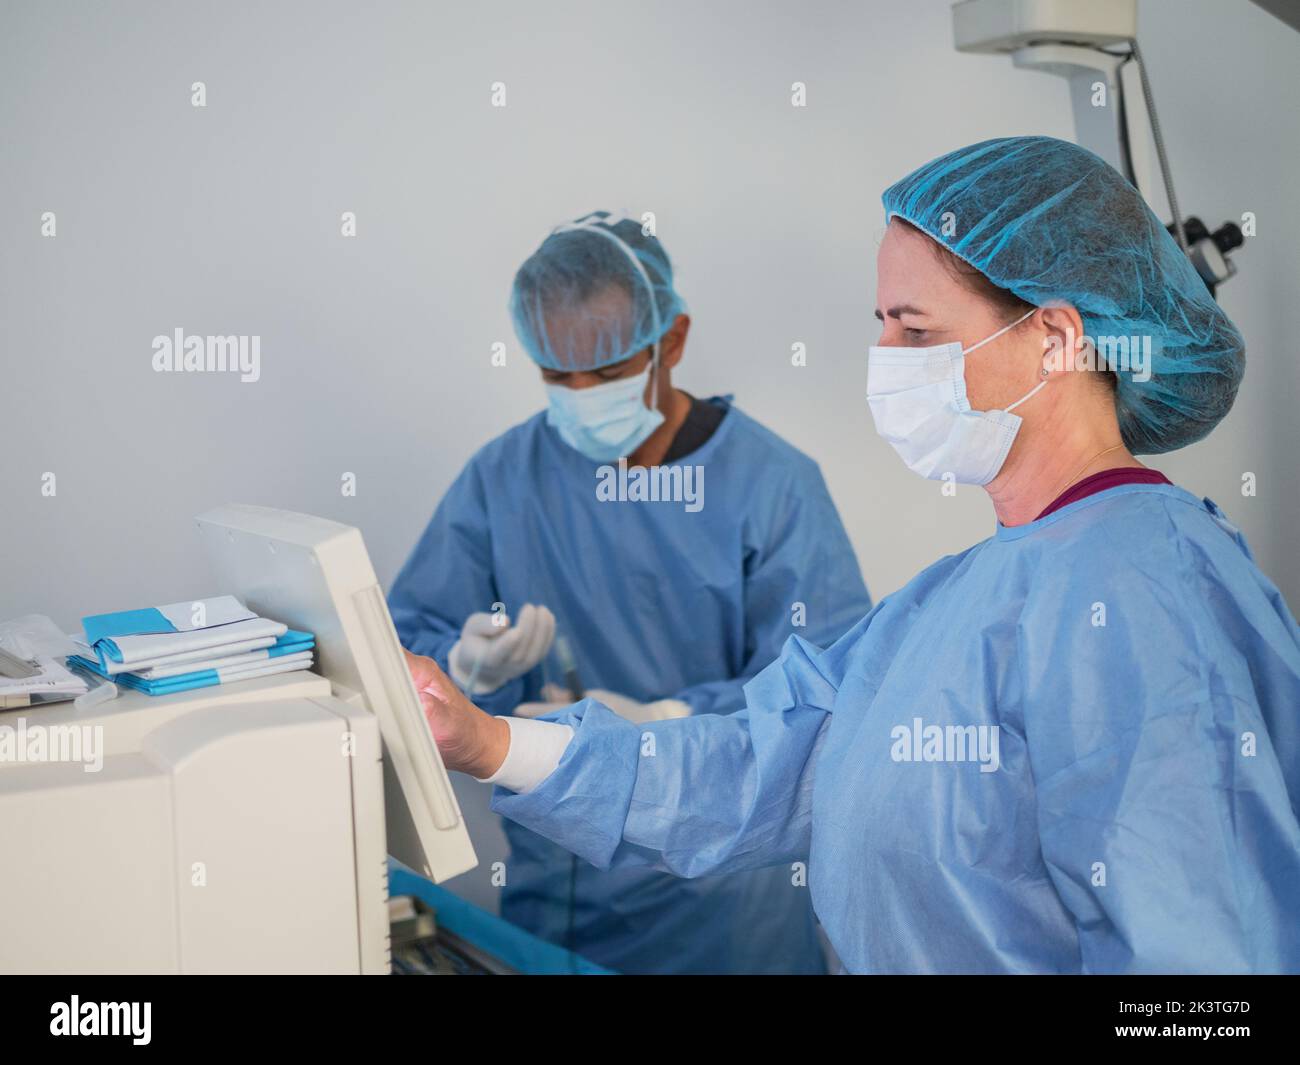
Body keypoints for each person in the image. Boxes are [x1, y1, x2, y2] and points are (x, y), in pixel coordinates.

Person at [408, 138, 1300, 974]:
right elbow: (763, 763)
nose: (883, 359)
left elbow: (1206, 989)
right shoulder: (957, 596)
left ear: (1057, 339)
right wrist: (486, 741)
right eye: (881, 323)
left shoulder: (1149, 586)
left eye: (914, 330)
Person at [390, 211, 872, 974]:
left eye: (608, 371)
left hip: (719, 904)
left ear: (671, 341)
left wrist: (667, 723)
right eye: (557, 374)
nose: (581, 395)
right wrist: (461, 663)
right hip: (554, 889)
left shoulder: (772, 487)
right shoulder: (505, 476)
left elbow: (825, 697)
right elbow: (401, 641)